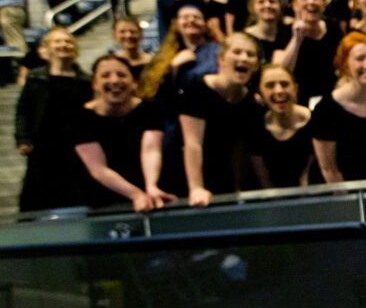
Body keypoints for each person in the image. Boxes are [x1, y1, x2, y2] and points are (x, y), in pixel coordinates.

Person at [73, 54, 173, 211]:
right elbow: (98, 169)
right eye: (105, 75)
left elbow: (150, 151)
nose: (114, 81)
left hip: (148, 189)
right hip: (104, 197)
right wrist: (136, 195)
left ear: (133, 82)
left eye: (121, 75)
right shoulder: (81, 118)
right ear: (94, 84)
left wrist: (151, 187)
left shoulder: (149, 109)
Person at [179, 32, 262, 206]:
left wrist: (238, 189)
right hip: (188, 178)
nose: (244, 58)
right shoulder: (196, 88)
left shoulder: (250, 100)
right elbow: (192, 143)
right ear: (221, 59)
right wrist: (196, 187)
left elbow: (240, 148)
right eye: (237, 52)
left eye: (250, 54)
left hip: (223, 177)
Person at [15, 28, 91, 211]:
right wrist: (22, 139)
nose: (63, 45)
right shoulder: (35, 78)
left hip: (77, 149)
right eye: (57, 41)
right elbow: (23, 112)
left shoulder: (85, 81)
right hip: (44, 148)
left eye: (68, 41)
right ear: (48, 48)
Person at [311, 32, 366, 183]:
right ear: (345, 65)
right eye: (360, 59)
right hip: (337, 191)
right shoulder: (326, 109)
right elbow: (328, 169)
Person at [273, 0, 342, 105]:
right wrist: (297, 40)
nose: (311, 2)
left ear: (323, 4)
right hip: (299, 99)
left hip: (332, 97)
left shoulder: (333, 27)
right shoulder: (284, 31)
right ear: (295, 5)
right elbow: (280, 72)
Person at [249, 64, 315, 189]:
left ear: (295, 89)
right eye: (270, 86)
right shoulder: (256, 128)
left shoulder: (315, 122)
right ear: (261, 93)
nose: (278, 91)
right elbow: (264, 181)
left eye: (285, 84)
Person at [110, 16, 152, 81]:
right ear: (114, 35)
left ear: (141, 34)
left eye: (132, 31)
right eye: (122, 32)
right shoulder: (111, 64)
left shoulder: (151, 61)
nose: (128, 35)